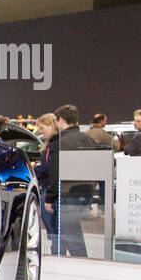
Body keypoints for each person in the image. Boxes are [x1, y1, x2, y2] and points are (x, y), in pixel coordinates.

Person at [47, 105, 95, 258]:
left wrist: (50, 197)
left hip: (67, 193)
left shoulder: (60, 143)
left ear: (62, 119)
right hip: (86, 192)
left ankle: (80, 264)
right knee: (70, 232)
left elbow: (55, 173)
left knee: (71, 234)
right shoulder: (88, 139)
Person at [33, 113, 59, 238]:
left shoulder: (54, 145)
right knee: (53, 229)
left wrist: (32, 171)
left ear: (51, 126)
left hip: (50, 189)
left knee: (53, 229)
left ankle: (57, 255)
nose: (41, 132)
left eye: (43, 128)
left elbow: (49, 167)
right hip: (49, 188)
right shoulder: (52, 144)